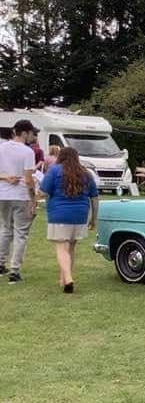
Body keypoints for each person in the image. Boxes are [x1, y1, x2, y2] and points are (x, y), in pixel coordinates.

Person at [40, 147, 99, 293]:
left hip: (59, 214)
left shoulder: (54, 170)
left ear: (61, 157)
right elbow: (95, 198)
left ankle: (68, 279)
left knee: (62, 248)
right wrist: (93, 219)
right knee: (71, 248)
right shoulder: (86, 173)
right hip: (80, 215)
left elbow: (42, 191)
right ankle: (64, 279)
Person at [0, 120, 40, 283]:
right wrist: (33, 200)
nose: (33, 136)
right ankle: (14, 271)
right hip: (21, 195)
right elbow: (29, 180)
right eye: (32, 133)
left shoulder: (1, 147)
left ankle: (1, 264)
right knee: (21, 234)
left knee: (5, 229)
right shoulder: (27, 152)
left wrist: (5, 177)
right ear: (24, 133)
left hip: (2, 194)